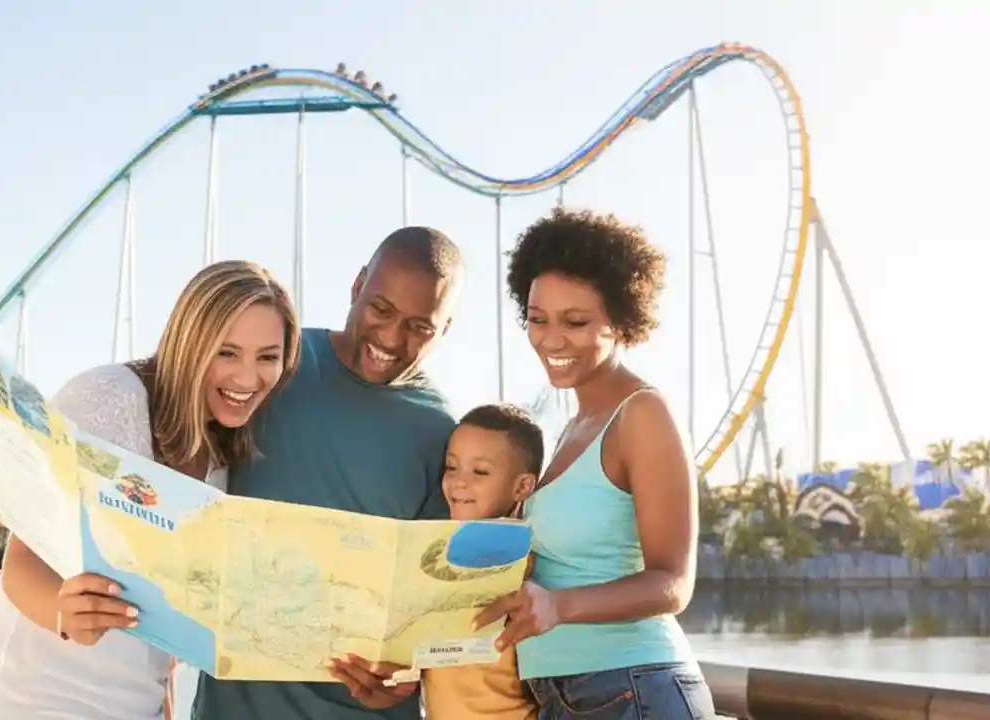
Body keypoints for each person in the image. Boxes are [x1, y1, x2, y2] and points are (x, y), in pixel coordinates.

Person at [0, 260, 302, 720]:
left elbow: (162, 628)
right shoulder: (107, 398)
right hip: (26, 700)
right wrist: (65, 615)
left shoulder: (226, 461)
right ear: (190, 344)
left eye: (267, 357)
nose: (248, 379)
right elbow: (20, 562)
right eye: (226, 353)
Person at [191, 226, 465, 720]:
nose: (391, 337)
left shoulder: (445, 435)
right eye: (381, 309)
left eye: (419, 326)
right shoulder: (274, 367)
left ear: (445, 328)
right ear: (357, 285)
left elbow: (436, 608)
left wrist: (406, 671)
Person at [474, 208, 718, 719]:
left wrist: (559, 607)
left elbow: (673, 583)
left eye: (576, 322)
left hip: (633, 688)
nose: (552, 340)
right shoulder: (571, 426)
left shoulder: (643, 414)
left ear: (622, 320)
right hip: (565, 696)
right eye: (538, 320)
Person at [421, 403, 541, 720]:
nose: (460, 482)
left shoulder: (531, 571)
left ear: (523, 487)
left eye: (480, 472)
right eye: (451, 467)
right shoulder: (430, 562)